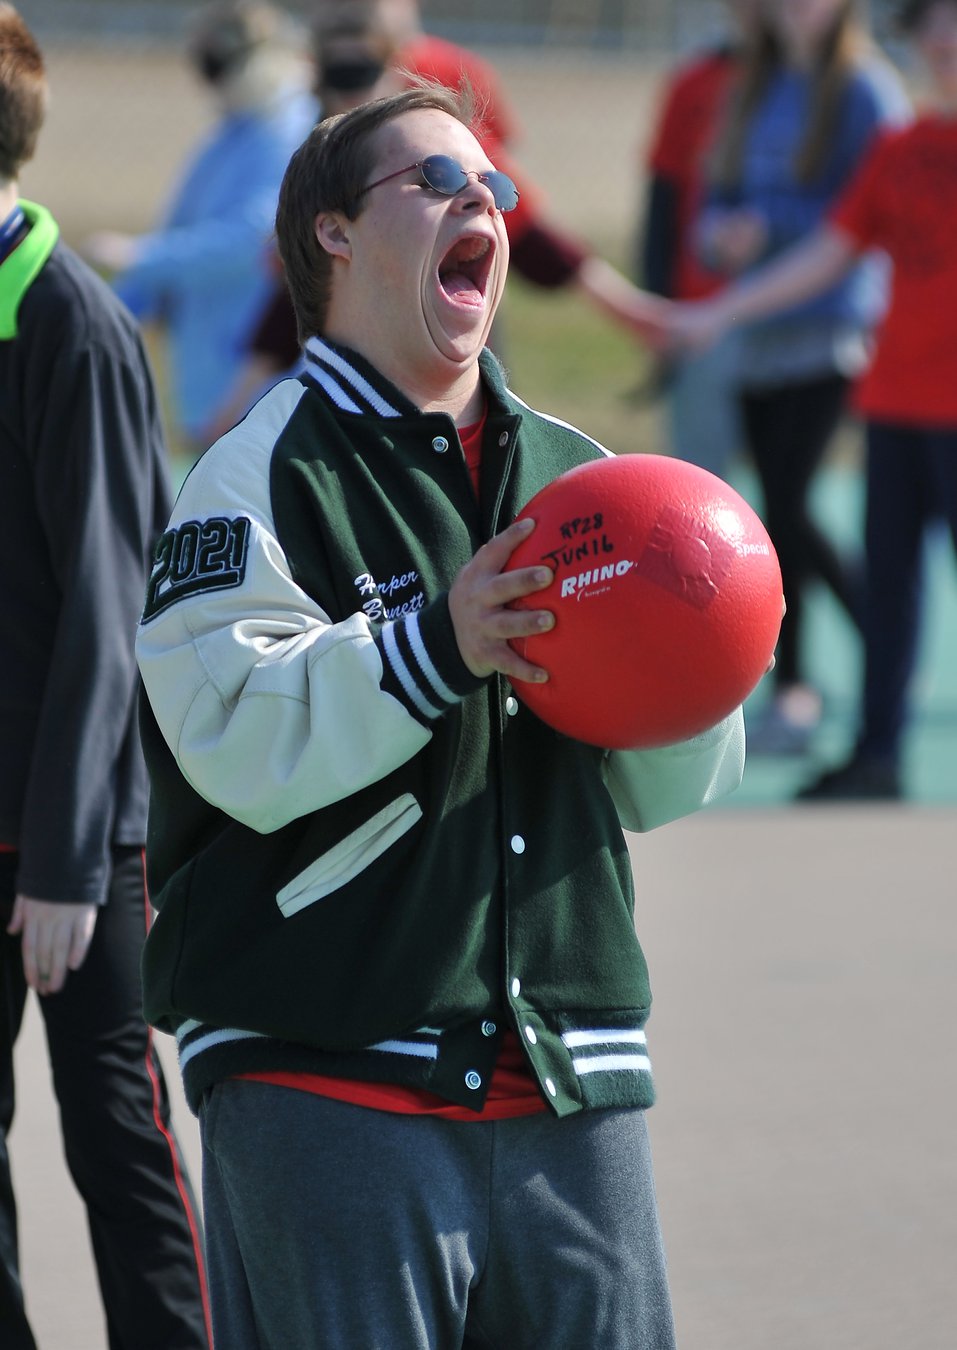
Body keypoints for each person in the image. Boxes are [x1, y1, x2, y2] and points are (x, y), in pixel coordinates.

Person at [134, 83, 748, 1349]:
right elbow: (235, 739)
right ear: (333, 237)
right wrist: (435, 644)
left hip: (573, 1078)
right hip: (328, 1066)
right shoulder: (253, 473)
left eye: (494, 188)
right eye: (435, 182)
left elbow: (654, 789)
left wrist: (702, 672)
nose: (483, 201)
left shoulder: (584, 476)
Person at [0, 8, 211, 1348]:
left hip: (71, 834)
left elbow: (104, 600)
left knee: (116, 1134)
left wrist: (69, 859)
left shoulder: (70, 321)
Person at [659, 0, 957, 801]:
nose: (941, 40)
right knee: (888, 589)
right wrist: (716, 310)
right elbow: (830, 249)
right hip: (897, 402)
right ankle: (877, 754)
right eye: (931, 24)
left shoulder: (863, 97)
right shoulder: (901, 147)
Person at [203, 0, 661, 441]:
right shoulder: (319, 150)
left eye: (362, 70)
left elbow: (524, 224)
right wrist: (234, 407)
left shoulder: (438, 108)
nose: (353, 91)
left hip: (449, 317)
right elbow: (294, 291)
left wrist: (633, 311)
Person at [691, 0, 910, 754]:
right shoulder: (749, 83)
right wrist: (720, 237)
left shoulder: (863, 91)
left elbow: (866, 217)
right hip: (758, 332)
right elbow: (709, 204)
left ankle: (816, 680)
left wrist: (775, 234)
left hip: (831, 329)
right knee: (781, 509)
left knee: (785, 503)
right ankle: (842, 666)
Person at [83, 0, 317, 454]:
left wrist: (143, 256)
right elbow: (178, 232)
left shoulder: (293, 127)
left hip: (263, 389)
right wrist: (103, 313)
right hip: (209, 382)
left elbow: (257, 237)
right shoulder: (226, 137)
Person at [635, 0, 759, 478]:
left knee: (791, 501)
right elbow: (663, 204)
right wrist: (659, 306)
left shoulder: (822, 91)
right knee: (699, 478)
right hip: (703, 311)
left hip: (795, 323)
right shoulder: (695, 82)